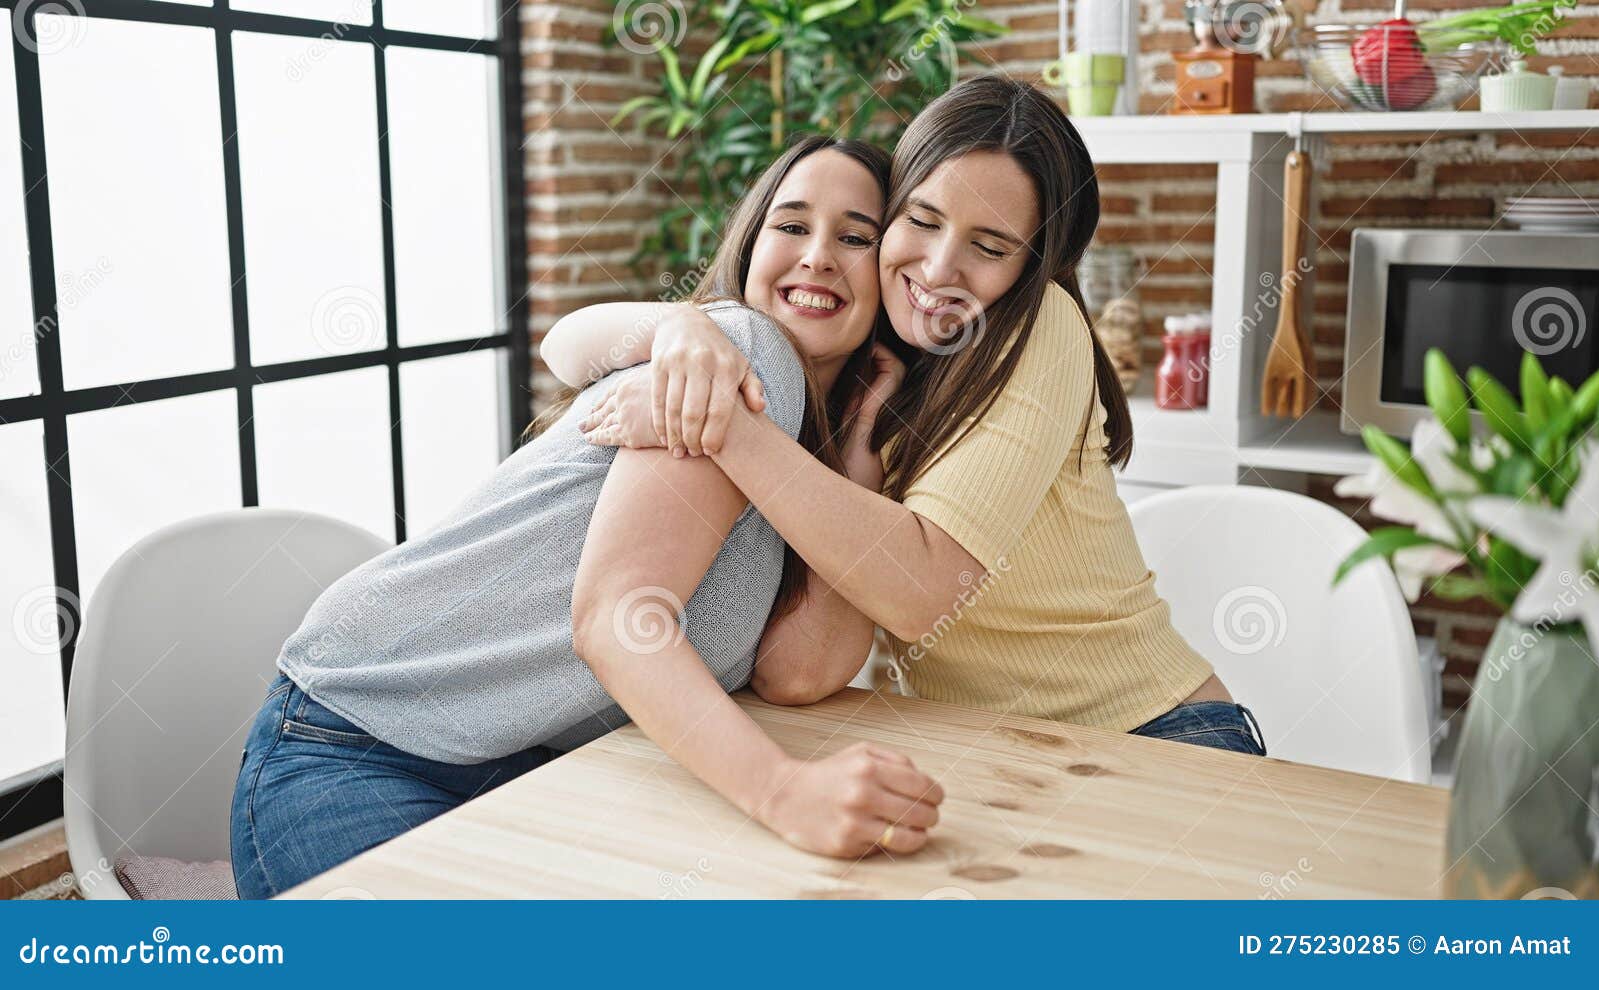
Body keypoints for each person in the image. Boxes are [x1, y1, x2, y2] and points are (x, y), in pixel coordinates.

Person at [229, 136, 946, 899]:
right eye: (792, 225)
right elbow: (617, 619)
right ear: (752, 242)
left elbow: (802, 674)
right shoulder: (738, 350)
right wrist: (783, 792)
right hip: (357, 743)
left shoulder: (793, 444)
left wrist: (858, 462)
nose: (817, 257)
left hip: (530, 767)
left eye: (855, 237)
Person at [541, 75, 1267, 758]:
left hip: (1152, 733)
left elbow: (924, 593)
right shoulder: (863, 359)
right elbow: (799, 675)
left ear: (1033, 265)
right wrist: (679, 331)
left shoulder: (1040, 325)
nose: (940, 268)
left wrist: (725, 426)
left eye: (989, 247)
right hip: (981, 749)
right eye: (921, 221)